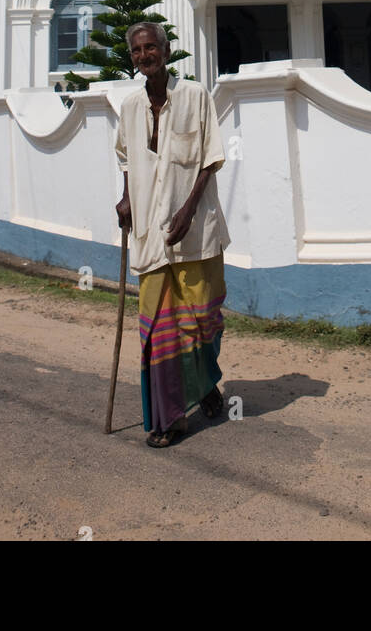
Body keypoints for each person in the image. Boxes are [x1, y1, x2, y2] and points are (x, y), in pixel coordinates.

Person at [114, 22, 230, 448]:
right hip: (150, 234)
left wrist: (188, 209)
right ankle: (171, 417)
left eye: (152, 47)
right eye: (137, 50)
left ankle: (205, 382)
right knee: (160, 328)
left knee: (201, 323)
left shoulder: (195, 96)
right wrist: (126, 197)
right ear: (132, 58)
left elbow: (210, 157)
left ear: (166, 51)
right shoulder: (129, 107)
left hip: (196, 233)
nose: (145, 55)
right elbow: (126, 158)